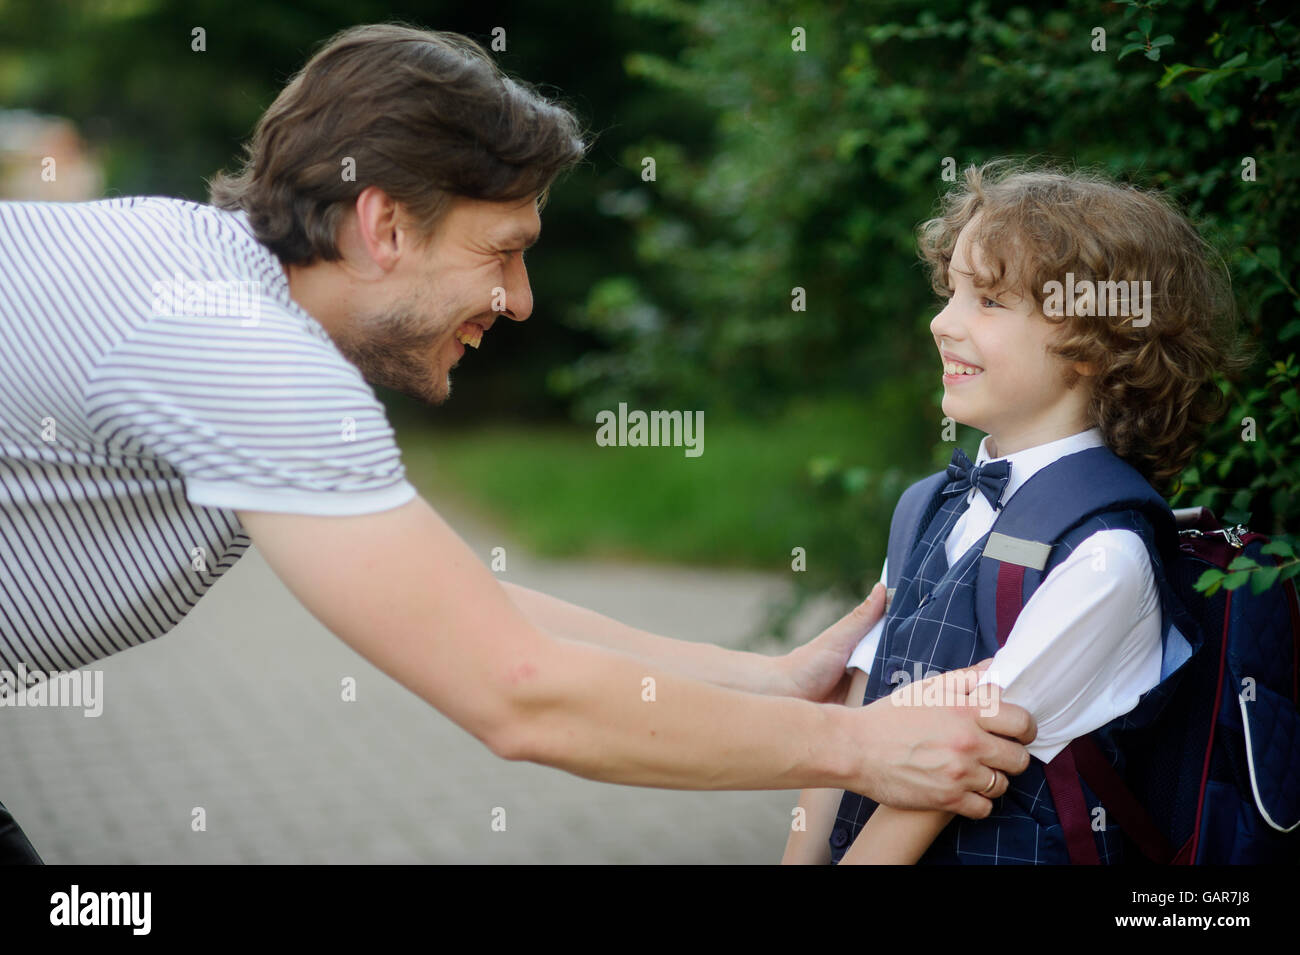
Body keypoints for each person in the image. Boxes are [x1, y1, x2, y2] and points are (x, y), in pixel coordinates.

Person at [0, 25, 1035, 864]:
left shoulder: (205, 284)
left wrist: (759, 680)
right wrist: (860, 750)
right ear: (384, 225)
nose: (522, 301)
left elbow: (448, 602)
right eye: (502, 253)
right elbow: (518, 693)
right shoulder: (240, 351)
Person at [782, 159, 1237, 865]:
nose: (942, 322)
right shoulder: (929, 506)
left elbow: (940, 776)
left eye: (989, 301)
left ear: (1095, 341)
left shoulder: (1104, 556)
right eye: (952, 291)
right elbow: (849, 713)